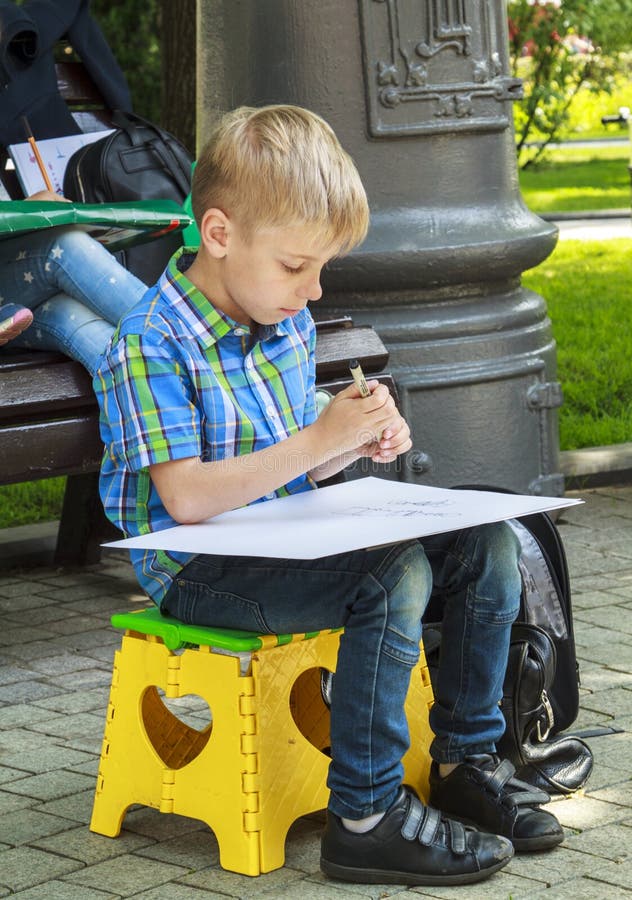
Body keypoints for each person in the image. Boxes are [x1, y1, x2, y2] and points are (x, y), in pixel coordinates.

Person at [94, 105, 563, 887]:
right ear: (218, 234)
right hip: (199, 569)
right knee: (395, 574)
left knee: (488, 543)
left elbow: (293, 469)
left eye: (323, 270)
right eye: (296, 266)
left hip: (289, 542)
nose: (312, 290)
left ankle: (465, 765)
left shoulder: (282, 324)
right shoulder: (150, 343)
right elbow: (188, 502)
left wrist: (348, 439)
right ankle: (366, 818)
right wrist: (315, 443)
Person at [0, 191, 147, 373]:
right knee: (66, 244)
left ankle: (167, 385)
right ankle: (182, 337)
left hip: (15, 309)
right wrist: (24, 209)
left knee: (77, 320)